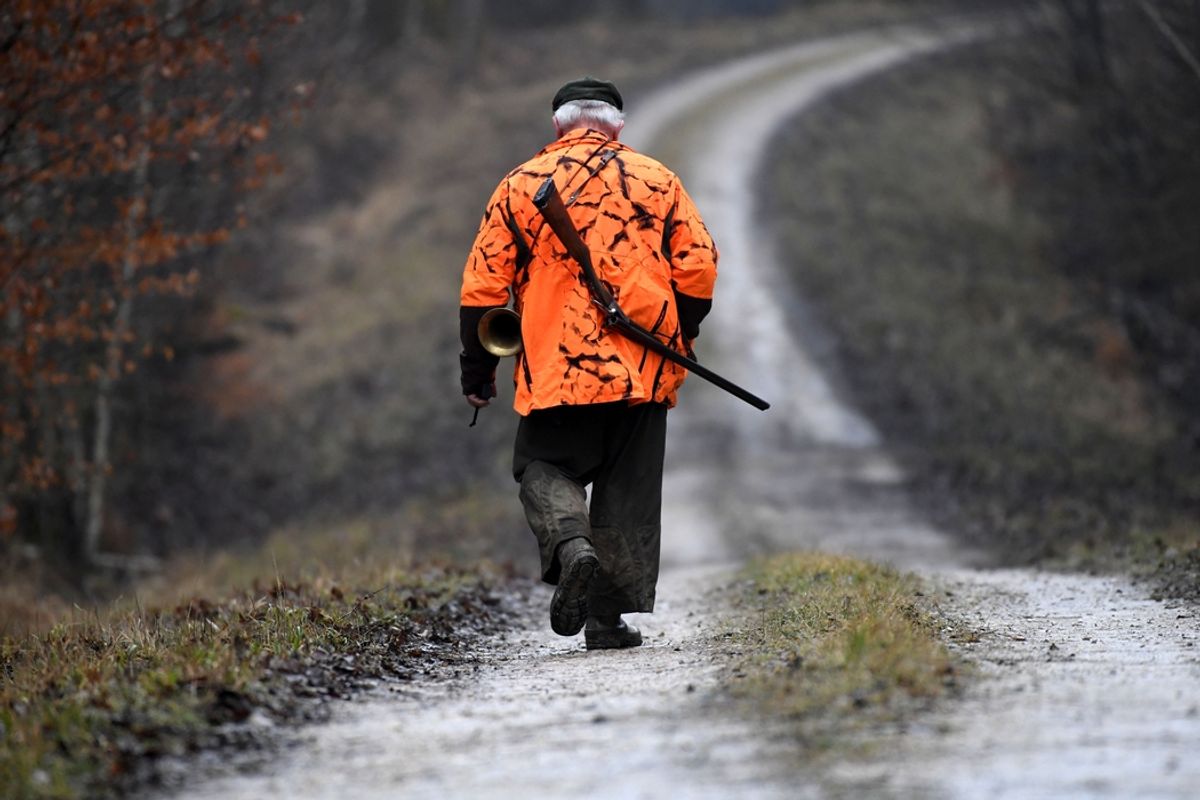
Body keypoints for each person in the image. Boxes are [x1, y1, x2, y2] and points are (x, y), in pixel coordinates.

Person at [458, 77, 718, 650]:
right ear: (617, 125)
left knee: (544, 468)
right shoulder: (658, 179)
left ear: (557, 125)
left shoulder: (518, 186)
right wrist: (682, 332)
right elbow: (698, 268)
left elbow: (482, 290)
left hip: (559, 363)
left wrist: (477, 373)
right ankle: (605, 622)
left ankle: (572, 547)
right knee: (627, 490)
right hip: (645, 365)